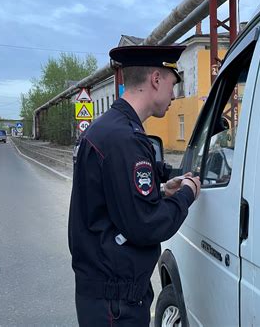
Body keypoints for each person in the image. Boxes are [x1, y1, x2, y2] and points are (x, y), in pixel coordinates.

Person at [68, 45, 201, 326]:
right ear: (156, 79)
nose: (174, 96)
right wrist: (187, 194)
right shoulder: (124, 139)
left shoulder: (107, 128)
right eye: (173, 84)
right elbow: (146, 224)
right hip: (116, 304)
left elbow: (113, 199)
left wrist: (163, 190)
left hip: (105, 297)